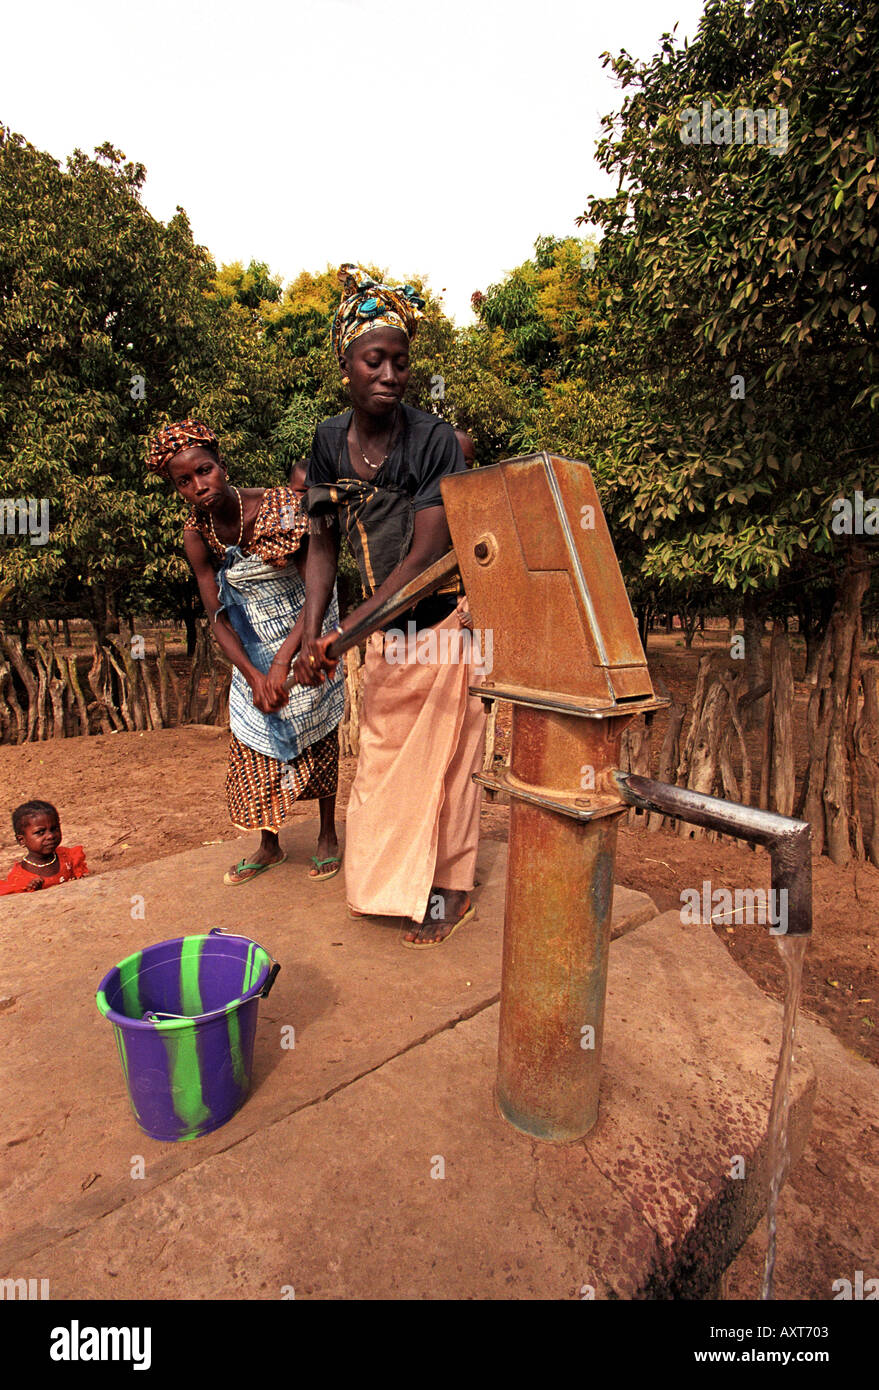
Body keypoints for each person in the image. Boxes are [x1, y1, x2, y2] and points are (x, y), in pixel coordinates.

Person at [291, 264, 486, 947]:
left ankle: (451, 891)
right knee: (381, 766)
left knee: (452, 764)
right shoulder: (324, 442)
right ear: (345, 363)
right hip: (383, 640)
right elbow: (320, 545)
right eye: (375, 360)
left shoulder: (436, 442)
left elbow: (422, 565)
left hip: (440, 629)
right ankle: (394, 883)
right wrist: (311, 631)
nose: (391, 374)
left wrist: (337, 640)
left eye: (401, 362)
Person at [147, 420, 344, 885]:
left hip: (305, 632)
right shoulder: (196, 535)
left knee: (316, 735)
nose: (199, 486)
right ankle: (269, 844)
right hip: (251, 647)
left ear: (221, 464)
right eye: (184, 481)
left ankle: (327, 836)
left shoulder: (280, 507)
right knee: (251, 741)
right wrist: (255, 676)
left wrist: (285, 662)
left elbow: (318, 586)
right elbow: (217, 614)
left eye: (205, 470)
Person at [0, 801, 88, 894]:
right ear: (22, 840)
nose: (50, 836)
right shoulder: (19, 878)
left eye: (54, 829)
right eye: (40, 832)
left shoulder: (68, 857)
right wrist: (32, 890)